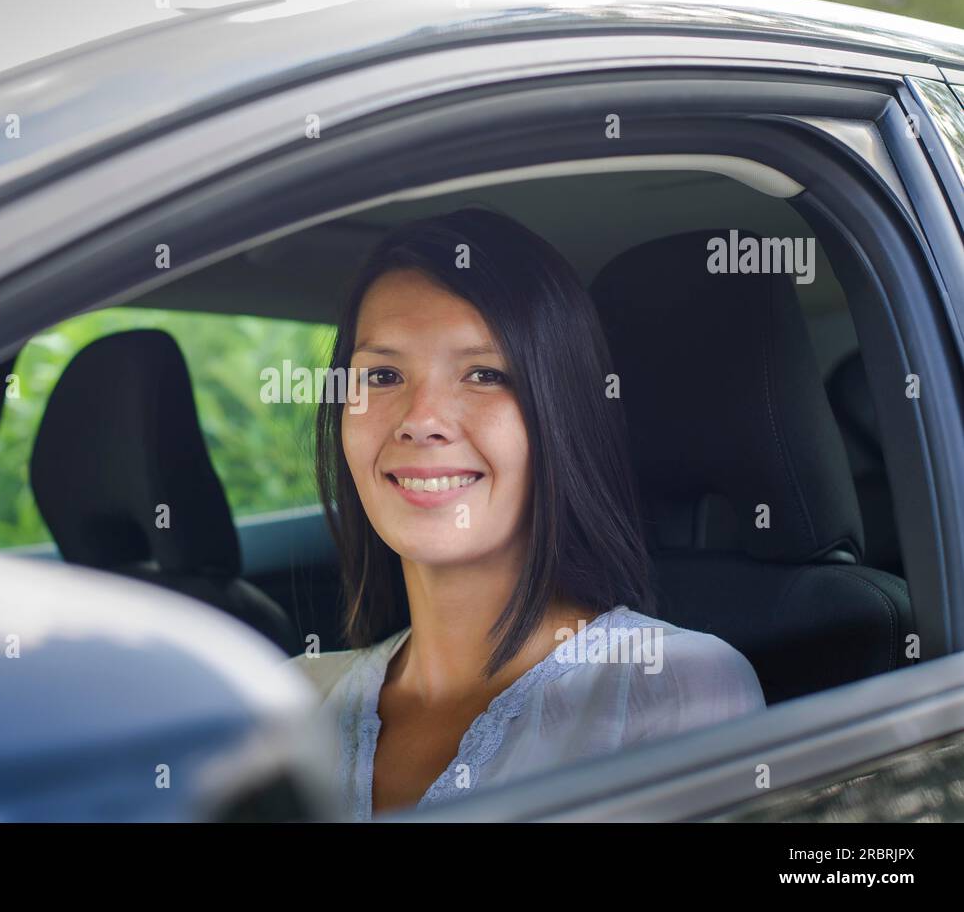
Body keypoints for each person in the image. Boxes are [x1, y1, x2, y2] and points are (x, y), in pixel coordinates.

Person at [285, 207, 764, 820]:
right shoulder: (290, 699)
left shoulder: (673, 688)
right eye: (382, 375)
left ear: (560, 414)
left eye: (484, 374)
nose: (420, 420)